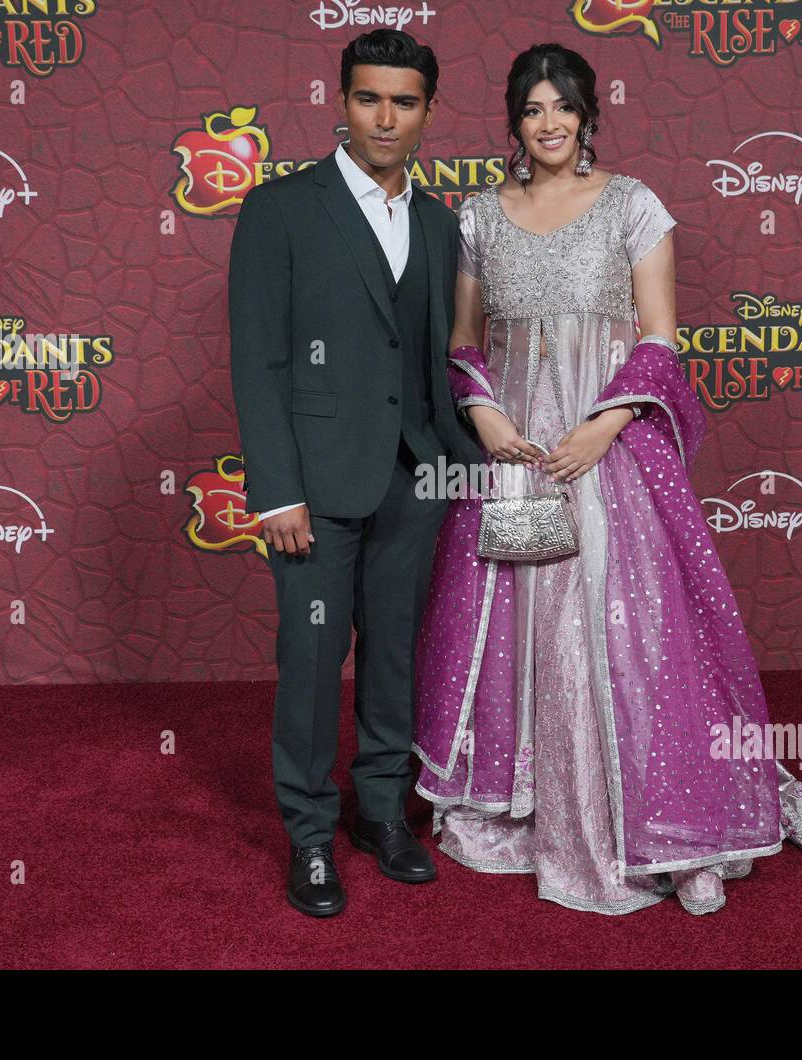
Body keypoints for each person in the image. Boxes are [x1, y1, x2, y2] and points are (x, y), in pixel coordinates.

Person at [412, 43, 802, 915]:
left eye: (563, 108)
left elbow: (658, 337)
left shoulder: (633, 206)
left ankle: (666, 827)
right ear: (513, 121)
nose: (548, 124)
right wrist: (488, 418)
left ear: (587, 116)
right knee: (514, 631)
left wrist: (601, 427)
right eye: (533, 110)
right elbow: (464, 343)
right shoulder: (479, 216)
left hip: (606, 448)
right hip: (514, 456)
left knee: (633, 638)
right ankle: (534, 806)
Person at [228, 29, 481, 918]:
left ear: (428, 113)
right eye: (370, 98)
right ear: (340, 102)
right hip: (316, 491)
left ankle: (382, 813)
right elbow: (258, 360)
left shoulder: (442, 223)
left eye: (404, 102)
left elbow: (438, 364)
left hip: (415, 481)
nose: (386, 116)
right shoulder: (280, 210)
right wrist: (279, 491)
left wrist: (460, 468)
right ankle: (309, 834)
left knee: (394, 659)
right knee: (310, 658)